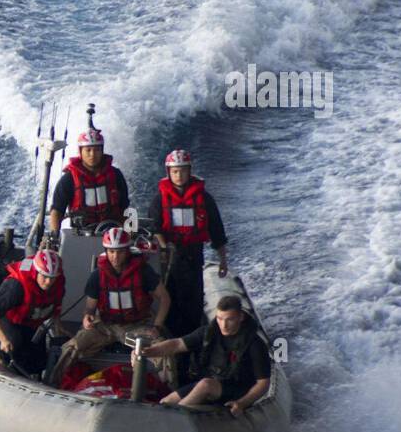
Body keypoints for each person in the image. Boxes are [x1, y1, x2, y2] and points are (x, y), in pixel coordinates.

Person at [48, 227, 173, 387]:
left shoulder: (143, 272)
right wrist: (87, 318)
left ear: (127, 251)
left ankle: (169, 393)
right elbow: (89, 309)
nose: (115, 256)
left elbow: (164, 298)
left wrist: (157, 326)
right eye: (111, 252)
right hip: (105, 326)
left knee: (164, 352)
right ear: (106, 251)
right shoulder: (97, 275)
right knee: (72, 347)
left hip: (137, 326)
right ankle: (54, 385)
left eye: (120, 252)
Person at [140, 295, 272, 417]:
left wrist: (242, 403)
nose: (223, 325)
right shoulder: (208, 332)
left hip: (238, 389)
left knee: (205, 384)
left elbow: (263, 383)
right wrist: (149, 351)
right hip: (212, 383)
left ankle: (175, 417)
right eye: (220, 319)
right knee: (166, 402)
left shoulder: (254, 344)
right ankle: (170, 416)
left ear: (240, 317)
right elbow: (176, 344)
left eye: (229, 320)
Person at [147, 148, 229, 338]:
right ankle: (168, 339)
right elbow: (155, 227)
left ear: (189, 170)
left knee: (192, 304)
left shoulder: (204, 199)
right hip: (168, 260)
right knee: (170, 302)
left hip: (193, 258)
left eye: (183, 170)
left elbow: (217, 231)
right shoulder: (159, 200)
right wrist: (164, 247)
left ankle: (192, 342)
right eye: (175, 171)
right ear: (169, 172)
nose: (179, 175)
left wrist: (223, 260)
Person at [0, 249, 65, 378]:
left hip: (33, 323)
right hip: (11, 321)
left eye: (52, 278)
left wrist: (59, 327)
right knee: (14, 345)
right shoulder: (16, 286)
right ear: (36, 272)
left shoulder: (58, 284)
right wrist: (3, 339)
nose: (48, 282)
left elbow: (55, 308)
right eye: (44, 277)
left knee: (38, 361)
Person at [46, 127, 130, 240]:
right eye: (88, 150)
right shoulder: (68, 179)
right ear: (80, 152)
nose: (92, 155)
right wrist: (54, 235)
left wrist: (129, 233)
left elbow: (124, 207)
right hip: (81, 235)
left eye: (97, 150)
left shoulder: (116, 175)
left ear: (102, 151)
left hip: (113, 235)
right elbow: (57, 209)